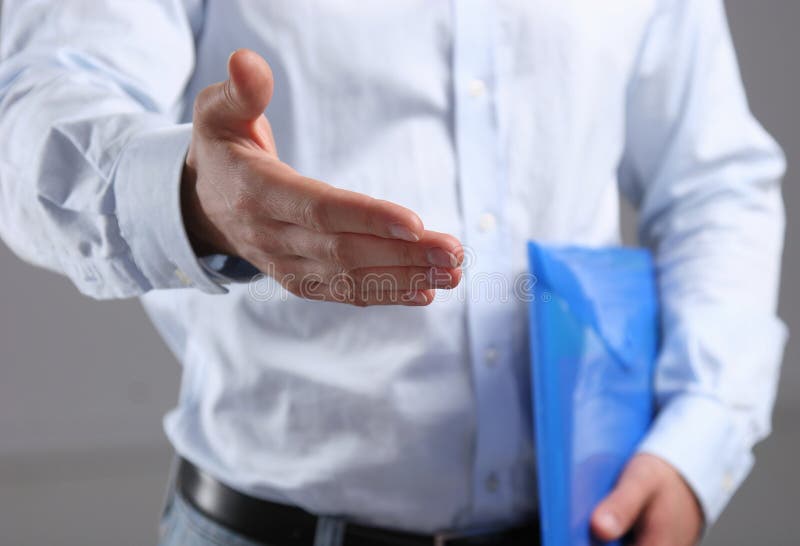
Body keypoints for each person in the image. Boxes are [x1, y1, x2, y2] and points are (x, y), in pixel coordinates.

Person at [0, 1, 787, 545]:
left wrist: (699, 439)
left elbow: (713, 181)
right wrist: (188, 196)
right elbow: (37, 111)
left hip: (586, 521)